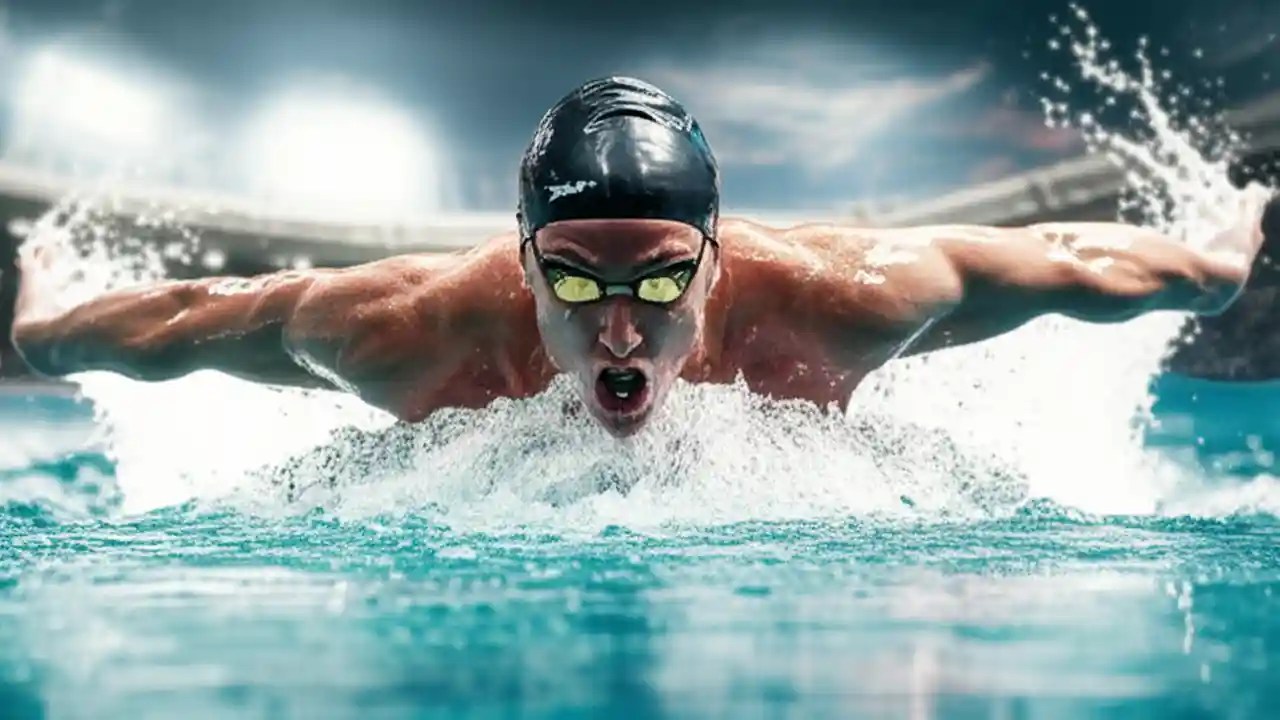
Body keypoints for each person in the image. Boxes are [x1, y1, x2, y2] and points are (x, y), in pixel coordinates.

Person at [9, 76, 1275, 438]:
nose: (619, 328)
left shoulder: (845, 299)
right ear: (520, 264)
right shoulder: (400, 329)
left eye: (660, 276)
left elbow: (1057, 256)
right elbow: (185, 317)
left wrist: (1211, 258)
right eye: (573, 278)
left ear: (717, 262)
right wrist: (51, 319)